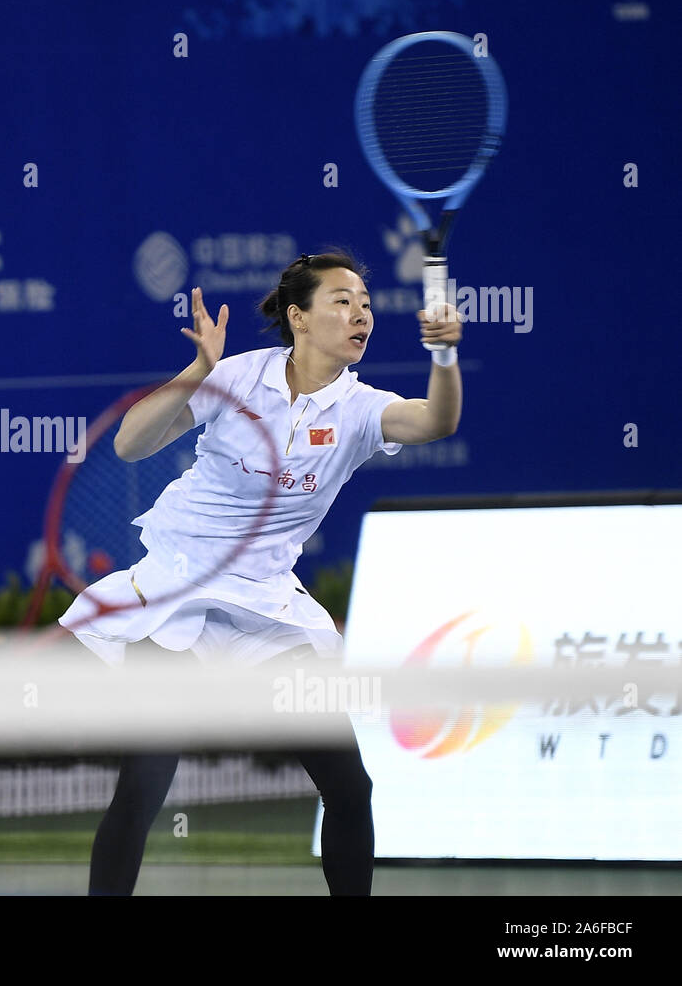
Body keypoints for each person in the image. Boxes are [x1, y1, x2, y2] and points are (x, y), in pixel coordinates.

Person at [59, 251, 463, 895]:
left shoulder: (360, 409)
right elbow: (132, 443)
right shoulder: (240, 377)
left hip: (266, 614)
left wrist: (444, 356)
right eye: (341, 301)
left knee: (348, 785)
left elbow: (436, 421)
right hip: (176, 597)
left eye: (366, 304)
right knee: (144, 783)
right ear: (298, 317)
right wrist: (199, 370)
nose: (360, 314)